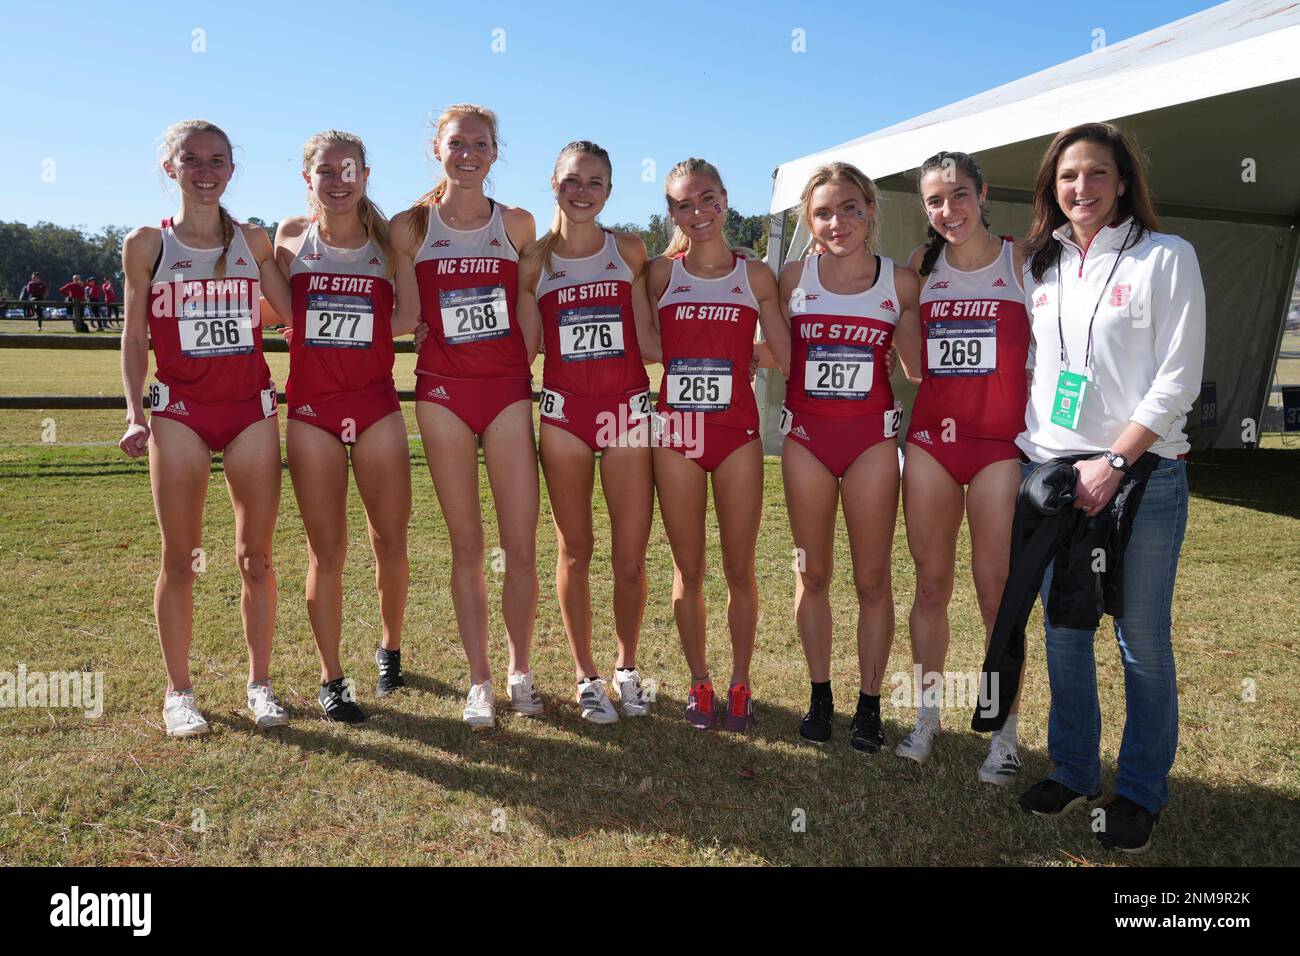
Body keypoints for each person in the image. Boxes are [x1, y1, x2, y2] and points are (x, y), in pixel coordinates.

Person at [1014, 122, 1205, 853]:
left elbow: (1178, 379)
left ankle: (1139, 791)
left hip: (1142, 475)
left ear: (1123, 181)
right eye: (1068, 177)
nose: (1082, 189)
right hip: (1055, 474)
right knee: (1064, 632)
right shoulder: (1041, 264)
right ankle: (1072, 770)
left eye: (1097, 174)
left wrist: (1116, 463)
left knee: (1141, 641)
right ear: (1051, 188)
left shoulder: (1167, 257)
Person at [117, 119, 293, 737]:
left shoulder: (253, 239)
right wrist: (135, 412)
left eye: (218, 159)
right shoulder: (147, 244)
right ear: (172, 168)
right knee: (182, 558)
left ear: (231, 169)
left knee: (256, 557)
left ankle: (261, 685)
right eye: (192, 159)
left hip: (250, 408)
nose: (206, 169)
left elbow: (293, 312)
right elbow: (134, 335)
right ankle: (179, 692)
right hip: (179, 413)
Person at [392, 104, 541, 729]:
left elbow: (532, 304)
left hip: (506, 391)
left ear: (494, 153)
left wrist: (527, 362)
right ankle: (479, 679)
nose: (468, 153)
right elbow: (401, 316)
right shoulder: (411, 226)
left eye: (480, 143)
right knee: (468, 545)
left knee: (522, 544)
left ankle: (520, 669)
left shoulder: (519, 223)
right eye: (457, 143)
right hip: (444, 394)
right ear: (438, 150)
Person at [892, 151, 1030, 783]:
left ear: (983, 195)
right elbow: (917, 368)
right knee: (930, 583)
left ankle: (1003, 732)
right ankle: (926, 716)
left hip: (1002, 441)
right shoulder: (923, 266)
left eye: (958, 196)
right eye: (934, 201)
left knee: (996, 591)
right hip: (932, 441)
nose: (948, 211)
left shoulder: (1021, 259)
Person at [275, 130, 416, 723]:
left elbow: (408, 315)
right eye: (325, 172)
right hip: (312, 411)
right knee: (325, 550)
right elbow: (274, 306)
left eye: (348, 170)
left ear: (366, 175)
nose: (338, 181)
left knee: (391, 539)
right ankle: (333, 677)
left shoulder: (389, 245)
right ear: (307, 178)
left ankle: (390, 648)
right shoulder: (286, 241)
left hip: (376, 405)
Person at [776, 162, 917, 753]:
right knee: (812, 574)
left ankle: (869, 705)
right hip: (807, 440)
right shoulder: (791, 277)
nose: (839, 222)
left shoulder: (901, 283)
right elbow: (770, 349)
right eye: (825, 212)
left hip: (872, 444)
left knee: (873, 578)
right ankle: (820, 696)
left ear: (870, 212)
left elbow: (918, 368)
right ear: (810, 221)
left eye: (851, 208)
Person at [517, 140, 660, 723]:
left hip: (627, 412)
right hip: (564, 416)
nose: (582, 192)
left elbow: (651, 340)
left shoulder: (628, 250)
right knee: (575, 551)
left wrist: (731, 352)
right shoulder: (534, 262)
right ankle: (586, 675)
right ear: (553, 184)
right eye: (572, 181)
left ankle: (626, 668)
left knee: (630, 555)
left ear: (609, 190)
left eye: (595, 182)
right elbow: (523, 348)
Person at [647, 158, 785, 732]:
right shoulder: (660, 274)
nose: (697, 212)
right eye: (683, 204)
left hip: (736, 434)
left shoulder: (753, 277)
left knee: (738, 566)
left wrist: (748, 355)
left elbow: (784, 353)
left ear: (726, 199)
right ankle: (699, 681)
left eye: (707, 199)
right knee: (689, 567)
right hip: (676, 434)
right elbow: (646, 347)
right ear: (671, 211)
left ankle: (740, 682)